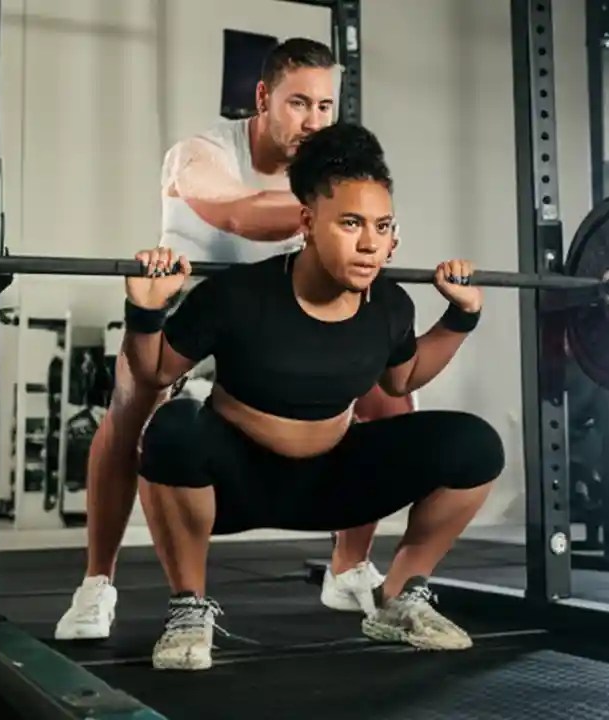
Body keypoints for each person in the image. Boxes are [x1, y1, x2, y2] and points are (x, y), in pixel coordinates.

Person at [56, 38, 411, 641]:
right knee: (131, 407)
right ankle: (96, 583)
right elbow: (239, 215)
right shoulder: (197, 154)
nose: (314, 121)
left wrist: (357, 221)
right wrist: (338, 208)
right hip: (192, 324)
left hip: (275, 331)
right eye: (299, 103)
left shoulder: (328, 176)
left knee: (389, 397)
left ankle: (348, 566)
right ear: (263, 97)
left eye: (326, 107)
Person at [124, 122, 504, 671]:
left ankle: (400, 601)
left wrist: (461, 316)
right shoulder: (235, 295)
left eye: (382, 226)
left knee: (474, 445)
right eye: (351, 224)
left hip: (334, 484)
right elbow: (156, 371)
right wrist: (146, 311)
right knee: (173, 426)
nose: (371, 243)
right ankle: (189, 609)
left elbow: (403, 379)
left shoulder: (389, 305)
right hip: (234, 485)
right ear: (308, 222)